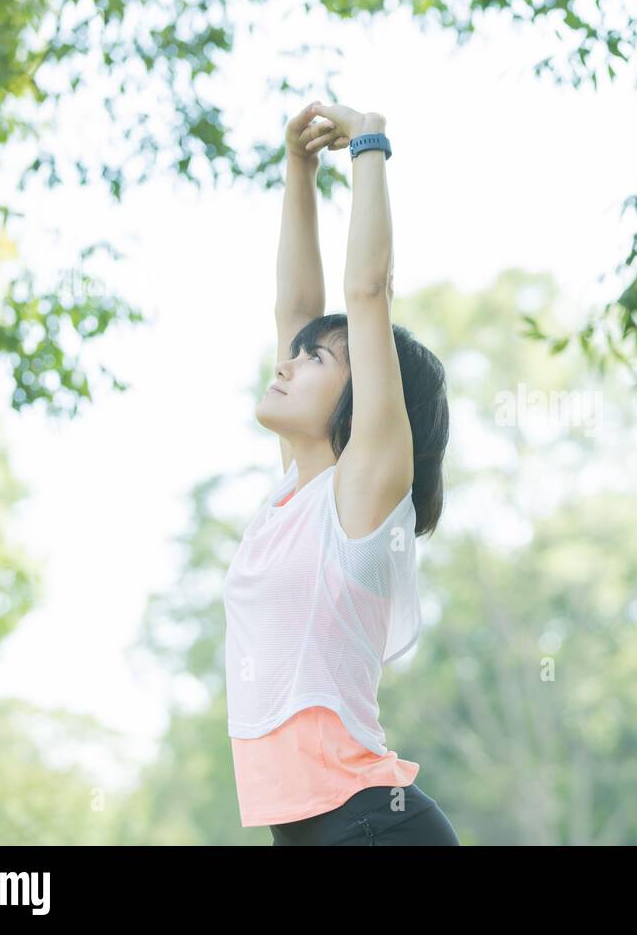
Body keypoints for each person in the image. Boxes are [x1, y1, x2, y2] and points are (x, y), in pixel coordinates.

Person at [222, 101, 458, 846]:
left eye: (317, 358)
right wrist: (298, 168)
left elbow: (366, 294)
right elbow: (297, 307)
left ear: (366, 403)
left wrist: (369, 146)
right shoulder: (294, 493)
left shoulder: (361, 497)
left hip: (374, 829)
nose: (286, 363)